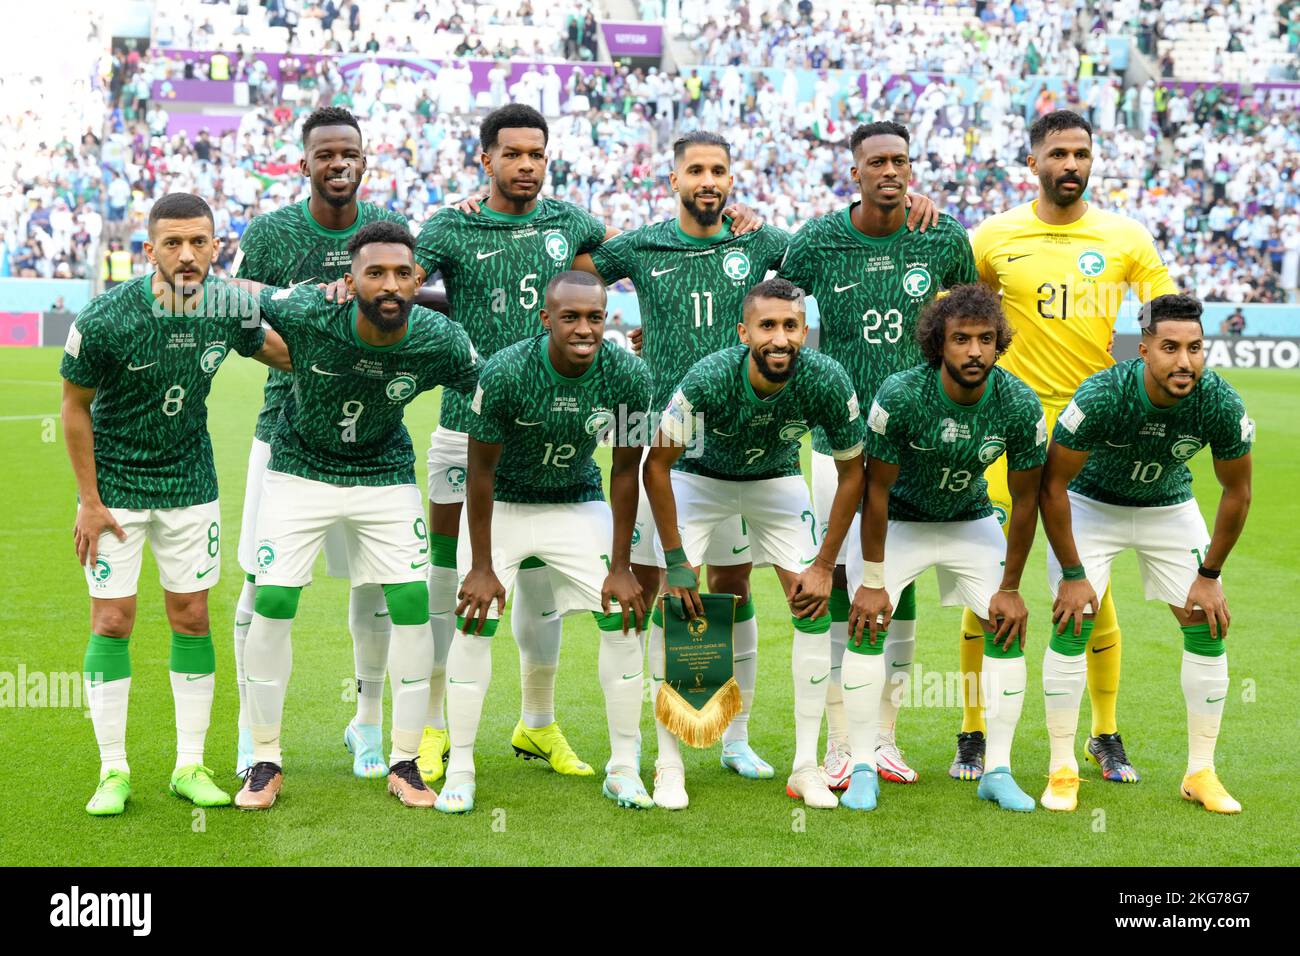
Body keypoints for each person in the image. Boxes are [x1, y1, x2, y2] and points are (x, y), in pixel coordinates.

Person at [232, 221, 481, 810]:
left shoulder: (440, 338)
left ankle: (405, 761)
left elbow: (487, 387)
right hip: (299, 467)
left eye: (401, 273)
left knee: (412, 604)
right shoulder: (312, 309)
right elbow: (239, 292)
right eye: (375, 274)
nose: (390, 285)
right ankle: (264, 758)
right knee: (273, 600)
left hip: (383, 475)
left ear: (419, 280)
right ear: (350, 281)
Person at [963, 109, 1177, 783]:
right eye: (1059, 153)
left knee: (1090, 587)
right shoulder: (995, 236)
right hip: (1007, 433)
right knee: (984, 584)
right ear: (1034, 163)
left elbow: (1171, 314)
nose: (1072, 164)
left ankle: (1105, 733)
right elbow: (956, 314)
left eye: (1082, 153)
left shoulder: (1124, 236)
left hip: (1092, 435)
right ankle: (971, 731)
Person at [60, 193, 288, 816]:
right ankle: (113, 771)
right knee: (112, 621)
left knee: (191, 616)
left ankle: (190, 765)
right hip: (116, 493)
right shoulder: (107, 317)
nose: (187, 256)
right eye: (173, 244)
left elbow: (282, 352)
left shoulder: (229, 307)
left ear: (217, 246)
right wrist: (88, 500)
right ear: (150, 249)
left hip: (191, 485)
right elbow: (73, 406)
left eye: (199, 243)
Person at [413, 105, 613, 783]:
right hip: (464, 434)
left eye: (537, 153)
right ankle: (433, 728)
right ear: (485, 159)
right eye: (513, 153)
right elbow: (400, 283)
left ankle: (537, 722)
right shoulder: (451, 224)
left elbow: (605, 279)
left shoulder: (571, 222)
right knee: (452, 579)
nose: (526, 164)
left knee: (541, 587)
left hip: (554, 434)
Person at [778, 121, 971, 789]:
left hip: (915, 438)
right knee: (834, 581)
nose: (890, 171)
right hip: (840, 436)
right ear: (854, 171)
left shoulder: (942, 236)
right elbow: (775, 310)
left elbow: (969, 315)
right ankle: (839, 739)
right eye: (876, 162)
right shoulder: (815, 241)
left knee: (899, 582)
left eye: (901, 161)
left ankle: (883, 737)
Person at [230, 106, 409, 781]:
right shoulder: (272, 232)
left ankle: (366, 725)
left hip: (372, 440)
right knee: (262, 586)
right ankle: (254, 736)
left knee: (376, 589)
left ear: (365, 159)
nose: (339, 164)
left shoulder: (386, 234)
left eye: (350, 153)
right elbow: (236, 300)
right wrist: (301, 324)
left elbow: (411, 309)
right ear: (304, 162)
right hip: (285, 434)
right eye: (326, 154)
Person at [643, 278, 866, 810]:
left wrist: (823, 565)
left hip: (775, 482)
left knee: (810, 603)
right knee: (676, 603)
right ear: (744, 331)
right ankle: (668, 766)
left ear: (804, 331)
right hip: (698, 481)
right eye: (767, 326)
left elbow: (853, 472)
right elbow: (657, 466)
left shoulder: (828, 380)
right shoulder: (710, 378)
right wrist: (675, 563)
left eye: (790, 326)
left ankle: (805, 768)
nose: (780, 338)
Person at [446, 272, 655, 813]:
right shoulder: (507, 370)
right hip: (506, 502)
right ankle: (462, 770)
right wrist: (482, 565)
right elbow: (480, 473)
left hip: (574, 498)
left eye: (594, 317)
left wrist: (622, 564)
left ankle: (624, 768)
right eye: (570, 317)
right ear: (546, 319)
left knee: (623, 615)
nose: (584, 329)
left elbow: (625, 473)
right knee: (475, 617)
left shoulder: (629, 376)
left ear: (608, 316)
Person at [1038, 294, 1253, 814]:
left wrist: (1210, 574)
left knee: (1207, 619)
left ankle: (1201, 771)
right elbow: (1053, 484)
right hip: (1091, 506)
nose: (1185, 362)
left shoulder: (1219, 402)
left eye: (1196, 348)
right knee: (1075, 620)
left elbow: (1237, 492)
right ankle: (1062, 767)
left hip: (1167, 506)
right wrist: (1072, 572)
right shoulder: (1103, 395)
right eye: (1171, 348)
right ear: (1144, 350)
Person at [848, 284, 1046, 812]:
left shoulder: (1019, 402)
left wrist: (1011, 588)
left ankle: (997, 770)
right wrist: (871, 581)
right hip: (901, 522)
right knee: (866, 626)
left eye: (985, 339)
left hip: (969, 520)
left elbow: (1027, 500)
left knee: (1005, 627)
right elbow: (876, 490)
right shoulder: (901, 393)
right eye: (961, 339)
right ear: (940, 343)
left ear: (999, 343)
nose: (975, 351)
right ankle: (863, 764)